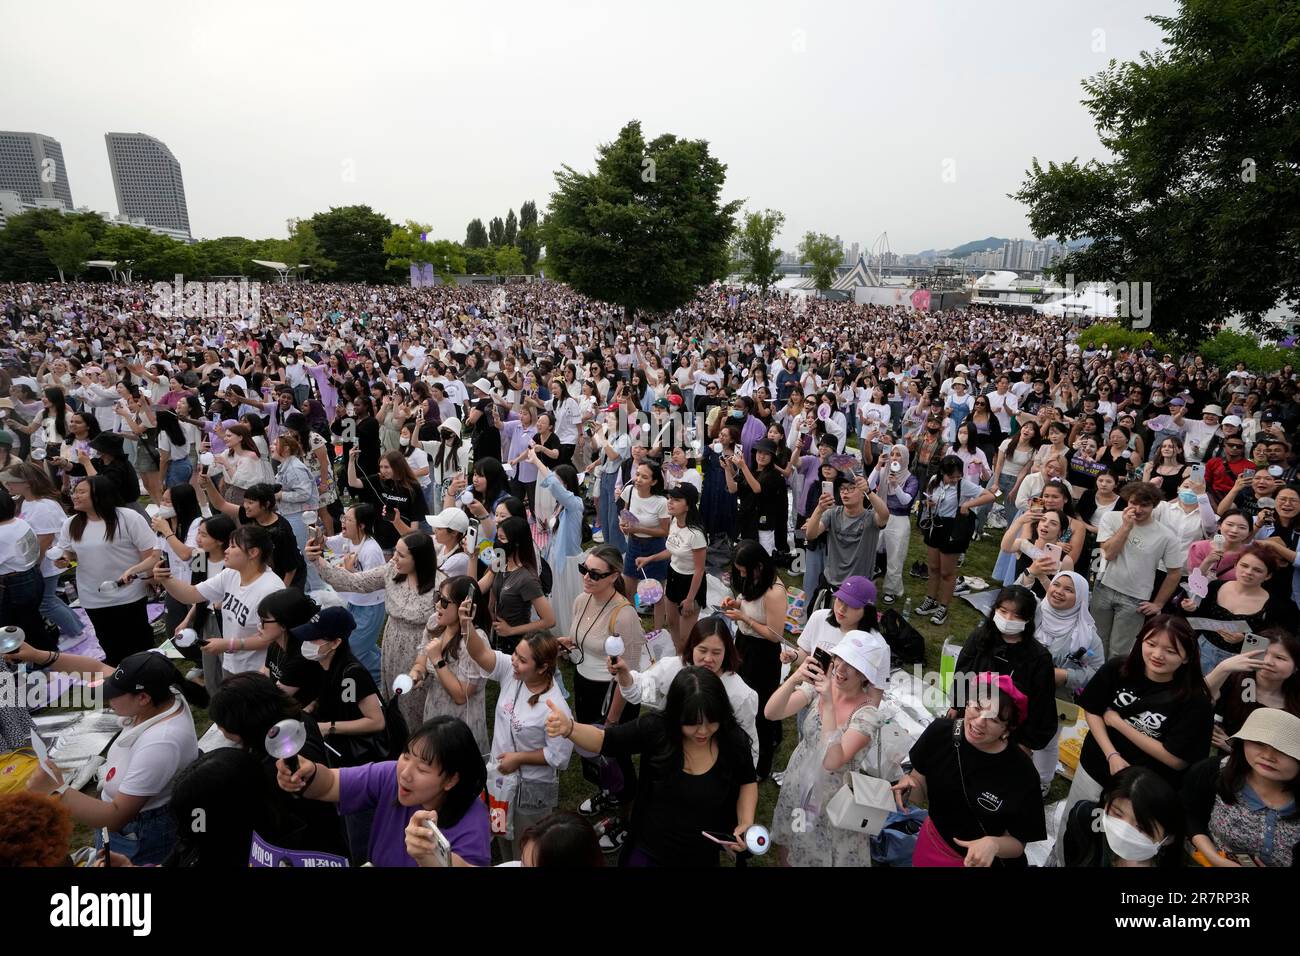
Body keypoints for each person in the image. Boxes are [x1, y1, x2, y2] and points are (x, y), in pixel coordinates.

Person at [544, 665, 758, 866]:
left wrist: (745, 822)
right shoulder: (656, 729)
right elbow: (604, 740)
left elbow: (747, 781)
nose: (702, 731)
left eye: (711, 721)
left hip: (700, 853)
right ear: (675, 716)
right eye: (691, 723)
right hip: (649, 847)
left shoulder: (733, 740)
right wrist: (570, 728)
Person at [12, 646, 202, 865]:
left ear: (142, 697)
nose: (106, 695)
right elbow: (95, 668)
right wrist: (38, 656)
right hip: (128, 825)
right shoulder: (164, 693)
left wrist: (57, 789)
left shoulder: (160, 744)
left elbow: (115, 817)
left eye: (113, 693)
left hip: (139, 835)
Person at [1059, 616, 1213, 860]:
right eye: (1151, 644)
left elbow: (1176, 759)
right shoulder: (1119, 668)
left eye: (1170, 650)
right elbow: (1093, 710)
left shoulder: (1195, 701)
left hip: (1144, 789)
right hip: (1098, 766)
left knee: (1128, 847)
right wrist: (1112, 755)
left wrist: (1120, 724)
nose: (1157, 655)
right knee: (1078, 823)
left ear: (1186, 656)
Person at [277, 715, 491, 867]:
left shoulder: (472, 820)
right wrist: (308, 773)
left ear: (451, 780)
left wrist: (432, 856)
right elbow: (332, 784)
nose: (405, 773)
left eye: (422, 768)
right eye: (406, 756)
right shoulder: (390, 775)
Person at [458, 593, 573, 861]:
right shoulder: (513, 674)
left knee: (528, 847)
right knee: (500, 834)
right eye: (516, 655)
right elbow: (481, 653)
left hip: (532, 792)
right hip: (501, 781)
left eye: (522, 660)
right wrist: (467, 625)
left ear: (543, 668)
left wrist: (519, 758)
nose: (514, 662)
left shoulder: (555, 707)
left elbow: (559, 756)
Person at [767, 629, 897, 866]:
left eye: (853, 666)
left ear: (865, 676)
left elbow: (832, 761)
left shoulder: (868, 715)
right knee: (788, 843)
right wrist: (795, 679)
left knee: (816, 854)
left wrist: (827, 703)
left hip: (830, 799)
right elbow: (771, 712)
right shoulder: (819, 687)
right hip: (799, 780)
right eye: (840, 659)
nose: (841, 669)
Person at [892, 673, 1045, 867]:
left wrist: (994, 844)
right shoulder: (940, 733)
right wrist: (909, 786)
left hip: (980, 863)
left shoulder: (1022, 774)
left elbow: (1018, 843)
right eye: (977, 708)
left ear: (1007, 730)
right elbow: (919, 785)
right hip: (932, 844)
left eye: (994, 719)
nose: (980, 721)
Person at [555, 544, 645, 849]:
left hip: (613, 695)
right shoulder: (582, 600)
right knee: (592, 750)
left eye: (595, 573)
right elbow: (584, 642)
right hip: (585, 686)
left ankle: (627, 818)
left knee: (616, 754)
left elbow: (628, 670)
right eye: (584, 569)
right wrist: (571, 644)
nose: (587, 577)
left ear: (614, 576)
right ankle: (608, 792)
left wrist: (613, 717)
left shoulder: (625, 615)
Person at [310, 531, 442, 729]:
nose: (394, 558)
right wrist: (317, 561)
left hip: (421, 650)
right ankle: (396, 737)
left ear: (419, 559)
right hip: (392, 644)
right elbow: (356, 582)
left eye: (401, 555)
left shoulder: (440, 586)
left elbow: (445, 626)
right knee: (393, 697)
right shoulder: (391, 571)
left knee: (415, 702)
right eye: (395, 552)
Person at [208, 672, 350, 857]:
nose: (220, 729)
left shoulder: (277, 766)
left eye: (222, 724)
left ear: (245, 723)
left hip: (308, 849)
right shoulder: (299, 721)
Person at [611, 616, 759, 767]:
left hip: (713, 764)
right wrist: (624, 674)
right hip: (669, 755)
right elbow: (639, 692)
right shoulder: (671, 669)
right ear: (692, 647)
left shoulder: (740, 695)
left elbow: (747, 741)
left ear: (726, 652)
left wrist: (745, 779)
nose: (708, 658)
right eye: (702, 650)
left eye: (716, 652)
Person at [949, 587, 1058, 792]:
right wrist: (956, 704)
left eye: (1016, 615)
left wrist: (1026, 743)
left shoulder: (1038, 658)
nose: (1008, 618)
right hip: (975, 716)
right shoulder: (981, 637)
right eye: (1003, 611)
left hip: (1009, 730)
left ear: (1027, 619)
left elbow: (1042, 704)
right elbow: (962, 671)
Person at [153, 523, 286, 678]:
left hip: (257, 671)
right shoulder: (227, 572)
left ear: (253, 552)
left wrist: (229, 644)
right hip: (232, 661)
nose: (227, 551)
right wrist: (165, 579)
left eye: (233, 547)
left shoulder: (271, 589)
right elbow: (191, 593)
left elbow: (270, 638)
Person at [51, 476, 158, 664]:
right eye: (74, 492)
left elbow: (149, 553)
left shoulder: (127, 518)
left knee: (139, 642)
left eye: (81, 492)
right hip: (93, 596)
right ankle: (123, 684)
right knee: (110, 643)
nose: (75, 496)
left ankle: (152, 680)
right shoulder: (72, 524)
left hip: (128, 592)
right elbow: (69, 552)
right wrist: (64, 560)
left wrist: (149, 578)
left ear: (100, 495)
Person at [1182, 707, 1300, 867]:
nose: (1268, 756)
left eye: (1283, 750)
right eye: (1259, 743)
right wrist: (1214, 858)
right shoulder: (1213, 772)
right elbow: (1189, 815)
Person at [1093, 481, 1186, 658]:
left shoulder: (1166, 535)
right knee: (1096, 641)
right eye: (1133, 503)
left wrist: (1158, 603)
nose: (1137, 509)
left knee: (1120, 651)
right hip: (1103, 588)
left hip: (1135, 599)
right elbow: (1109, 554)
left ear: (1154, 506)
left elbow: (1175, 572)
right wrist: (1126, 527)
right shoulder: (1111, 518)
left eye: (1144, 505)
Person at [720, 541, 788, 780]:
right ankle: (771, 735)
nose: (740, 574)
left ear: (758, 566)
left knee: (762, 708)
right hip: (744, 644)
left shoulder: (775, 592)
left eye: (743, 569)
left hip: (763, 653)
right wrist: (736, 604)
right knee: (746, 694)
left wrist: (744, 618)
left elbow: (775, 634)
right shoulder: (752, 579)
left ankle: (763, 764)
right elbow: (749, 603)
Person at [0, 462, 80, 643]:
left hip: (46, 562)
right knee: (49, 599)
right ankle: (76, 626)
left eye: (11, 482)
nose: (8, 486)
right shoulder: (26, 501)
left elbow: (44, 541)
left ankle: (76, 632)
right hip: (37, 561)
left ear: (27, 483)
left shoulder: (43, 506)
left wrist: (33, 567)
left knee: (45, 603)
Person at [411, 574, 489, 753]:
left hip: (460, 722)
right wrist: (417, 674)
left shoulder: (475, 641)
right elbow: (421, 660)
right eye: (438, 597)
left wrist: (438, 660)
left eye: (445, 602)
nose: (437, 604)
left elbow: (462, 696)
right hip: (435, 710)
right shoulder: (435, 622)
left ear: (465, 608)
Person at [917, 455, 996, 626]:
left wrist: (967, 505)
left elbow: (989, 496)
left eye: (957, 476)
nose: (954, 479)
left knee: (947, 572)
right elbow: (930, 496)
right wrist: (929, 503)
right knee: (933, 567)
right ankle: (930, 598)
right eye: (951, 476)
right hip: (935, 525)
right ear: (942, 473)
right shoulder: (934, 480)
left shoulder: (963, 485)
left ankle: (943, 606)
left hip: (952, 528)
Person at [1180, 544, 1277, 674]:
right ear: (1236, 565)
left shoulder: (1275, 605)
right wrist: (1190, 608)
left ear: (1268, 576)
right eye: (1244, 565)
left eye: (1257, 570)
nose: (1248, 572)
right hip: (1202, 651)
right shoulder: (1215, 586)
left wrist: (1244, 639)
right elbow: (1195, 619)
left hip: (1240, 663)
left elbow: (1275, 644)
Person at [1060, 766, 1185, 867]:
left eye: (1141, 828)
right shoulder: (1083, 818)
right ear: (1106, 802)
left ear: (1168, 838)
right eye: (1117, 814)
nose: (1124, 832)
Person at [634, 483, 706, 653]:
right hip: (673, 576)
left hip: (690, 583)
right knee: (672, 624)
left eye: (676, 499)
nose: (670, 502)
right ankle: (678, 656)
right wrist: (649, 558)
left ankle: (686, 661)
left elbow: (699, 570)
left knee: (685, 636)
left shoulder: (696, 535)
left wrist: (690, 599)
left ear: (688, 504)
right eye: (669, 498)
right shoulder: (674, 522)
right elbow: (672, 550)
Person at [319, 503, 387, 683]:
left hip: (371, 606)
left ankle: (378, 679)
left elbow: (371, 584)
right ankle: (384, 668)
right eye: (343, 518)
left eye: (348, 520)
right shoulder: (348, 538)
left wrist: (349, 570)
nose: (343, 522)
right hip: (355, 603)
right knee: (362, 645)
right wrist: (319, 538)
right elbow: (328, 543)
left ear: (361, 525)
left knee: (353, 648)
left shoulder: (371, 550)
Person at [804, 469, 889, 610]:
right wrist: (819, 509)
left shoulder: (870, 518)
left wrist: (869, 492)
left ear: (862, 493)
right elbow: (810, 535)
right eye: (842, 489)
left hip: (857, 587)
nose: (845, 492)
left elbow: (885, 514)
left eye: (851, 488)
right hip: (830, 582)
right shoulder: (832, 513)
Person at [201, 479, 306, 589]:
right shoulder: (251, 515)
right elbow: (221, 505)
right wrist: (209, 485)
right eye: (245, 501)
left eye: (250, 503)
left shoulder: (281, 531)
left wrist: (281, 592)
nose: (245, 506)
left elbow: (291, 568)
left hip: (287, 580)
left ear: (266, 504)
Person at [1205, 629, 1300, 746]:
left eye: (1280, 658)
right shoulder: (1232, 680)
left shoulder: (1296, 699)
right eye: (1263, 654)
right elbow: (1198, 698)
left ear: (1296, 667)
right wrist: (1223, 667)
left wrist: (1232, 746)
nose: (1268, 662)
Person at [871, 443, 919, 605]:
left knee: (895, 556)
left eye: (898, 455)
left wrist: (895, 485)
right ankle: (867, 581)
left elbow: (906, 500)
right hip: (879, 514)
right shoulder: (884, 472)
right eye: (893, 454)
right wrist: (878, 466)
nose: (894, 457)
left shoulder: (911, 479)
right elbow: (869, 487)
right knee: (870, 549)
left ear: (905, 458)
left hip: (899, 520)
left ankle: (890, 590)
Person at [0, 491, 47, 650]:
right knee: (33, 621)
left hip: (13, 585)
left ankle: (33, 662)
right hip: (32, 575)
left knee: (14, 628)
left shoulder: (2, 533)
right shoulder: (18, 522)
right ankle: (47, 656)